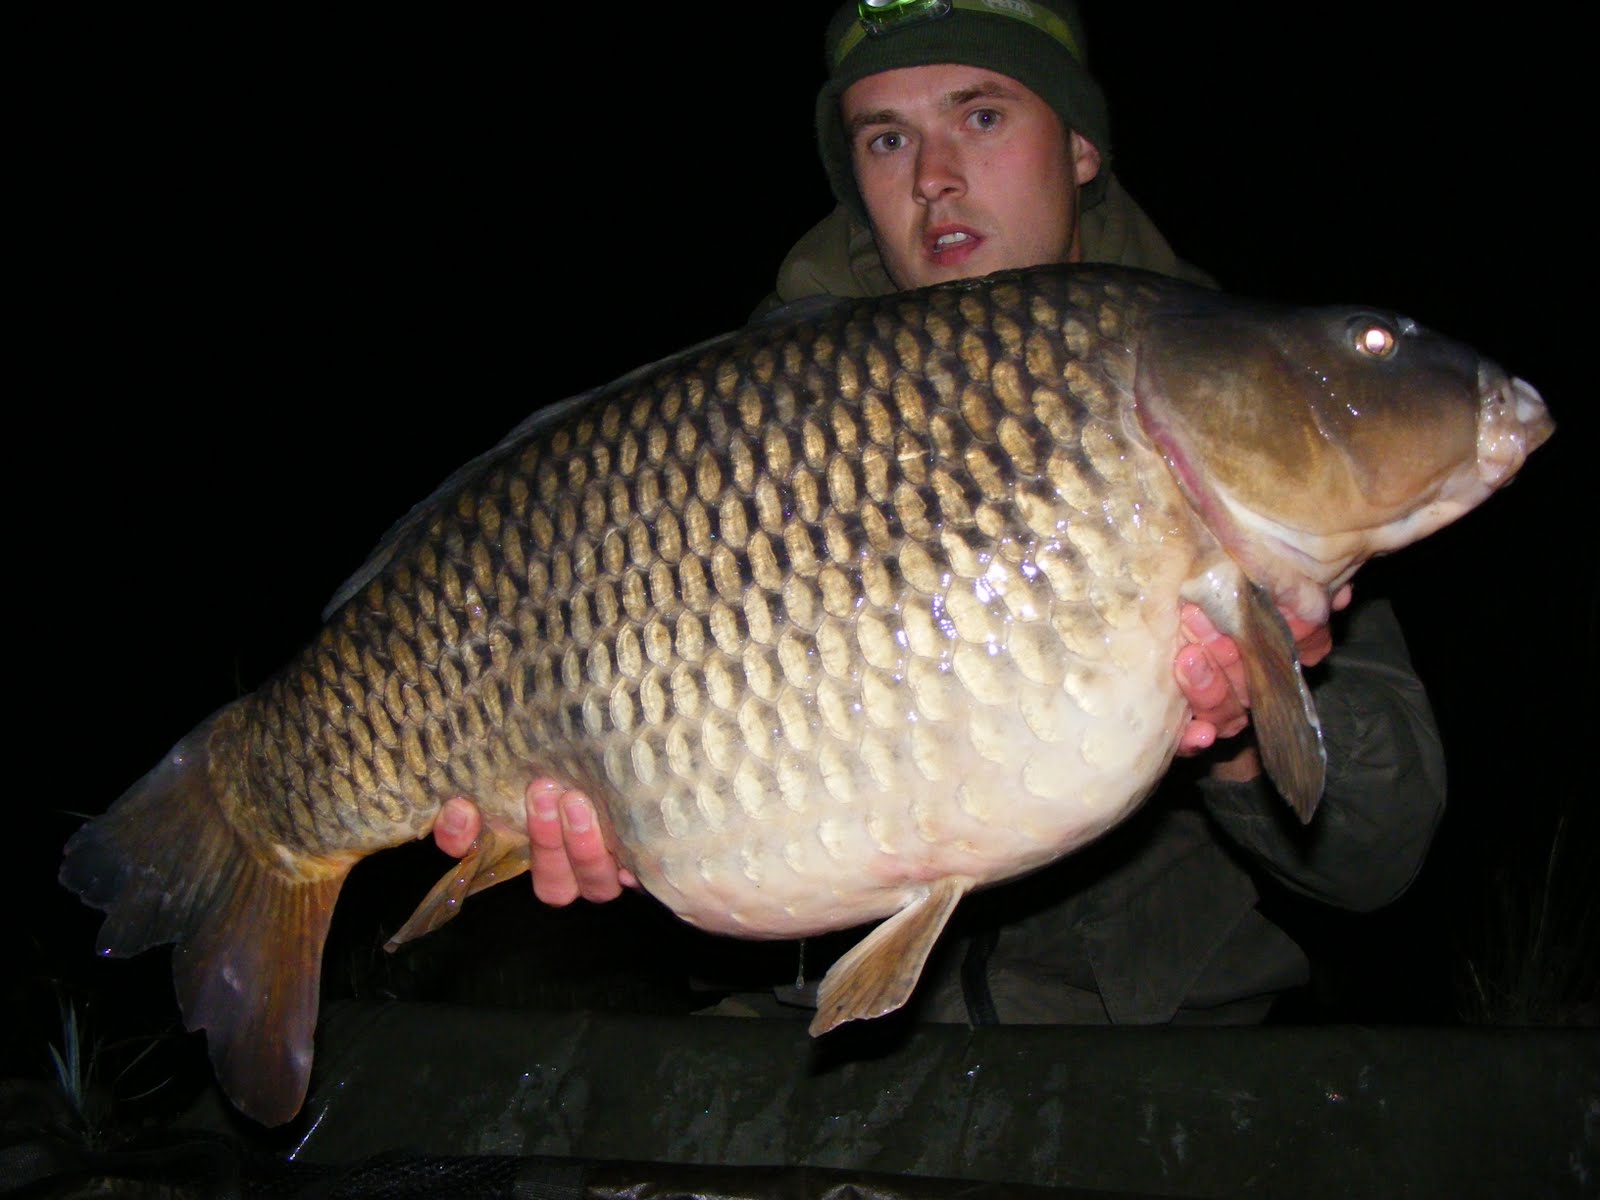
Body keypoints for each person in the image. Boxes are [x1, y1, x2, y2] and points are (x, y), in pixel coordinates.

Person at [433, 0, 1444, 1025]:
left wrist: (1236, 745)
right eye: (886, 138)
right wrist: (618, 823)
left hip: (1133, 1051)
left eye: (983, 116)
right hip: (796, 1035)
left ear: (1081, 144)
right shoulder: (740, 434)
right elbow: (692, 802)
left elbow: (1379, 855)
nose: (932, 177)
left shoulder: (1221, 399)